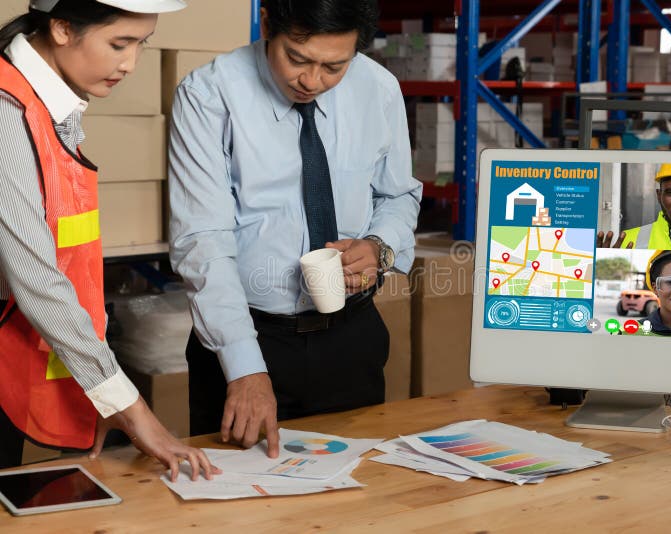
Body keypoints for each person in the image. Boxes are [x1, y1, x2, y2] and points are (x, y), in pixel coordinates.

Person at [168, 0, 422, 458]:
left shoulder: (378, 89)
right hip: (247, 339)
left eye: (334, 67)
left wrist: (380, 246)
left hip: (351, 337)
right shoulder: (210, 94)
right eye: (297, 58)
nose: (311, 81)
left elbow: (398, 195)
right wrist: (244, 369)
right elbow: (202, 239)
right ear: (267, 24)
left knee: (356, 504)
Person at [0, 0, 218, 481]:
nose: (130, 64)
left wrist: (95, 392)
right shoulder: (6, 109)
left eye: (142, 44)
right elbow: (36, 278)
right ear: (60, 28)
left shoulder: (47, 104)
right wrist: (130, 407)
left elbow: (68, 265)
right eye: (119, 44)